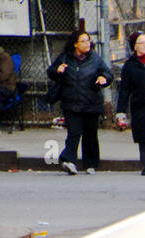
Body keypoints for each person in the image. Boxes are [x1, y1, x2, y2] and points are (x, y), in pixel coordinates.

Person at [48, 29, 113, 175]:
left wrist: (104, 78)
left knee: (90, 134)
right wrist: (57, 70)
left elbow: (108, 73)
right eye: (83, 41)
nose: (87, 43)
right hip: (71, 102)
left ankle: (90, 164)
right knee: (74, 132)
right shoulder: (65, 57)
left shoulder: (95, 59)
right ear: (75, 44)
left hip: (91, 102)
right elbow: (51, 71)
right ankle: (68, 160)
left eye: (88, 40)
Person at [117, 31, 145, 175]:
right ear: (134, 46)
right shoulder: (129, 66)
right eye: (141, 43)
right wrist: (120, 111)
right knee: (144, 137)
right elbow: (124, 90)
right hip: (140, 105)